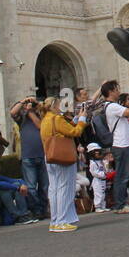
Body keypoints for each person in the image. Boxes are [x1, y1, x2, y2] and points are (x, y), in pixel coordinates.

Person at [41, 96, 89, 232]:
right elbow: (75, 132)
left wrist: (75, 120)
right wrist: (82, 120)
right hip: (62, 155)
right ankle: (62, 221)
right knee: (64, 187)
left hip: (50, 155)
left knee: (54, 188)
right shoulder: (56, 119)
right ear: (54, 106)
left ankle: (55, 221)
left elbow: (64, 130)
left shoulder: (45, 119)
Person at [10, 95, 50, 218]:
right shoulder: (21, 118)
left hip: (42, 154)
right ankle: (36, 210)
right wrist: (22, 101)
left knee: (44, 186)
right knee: (31, 187)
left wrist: (34, 105)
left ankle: (44, 209)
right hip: (28, 156)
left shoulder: (42, 115)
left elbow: (40, 126)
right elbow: (12, 112)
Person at [104, 86, 129, 213]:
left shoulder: (112, 106)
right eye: (116, 90)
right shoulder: (112, 106)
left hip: (124, 143)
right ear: (110, 92)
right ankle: (120, 204)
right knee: (122, 176)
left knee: (123, 175)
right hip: (121, 144)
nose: (118, 92)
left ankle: (121, 203)